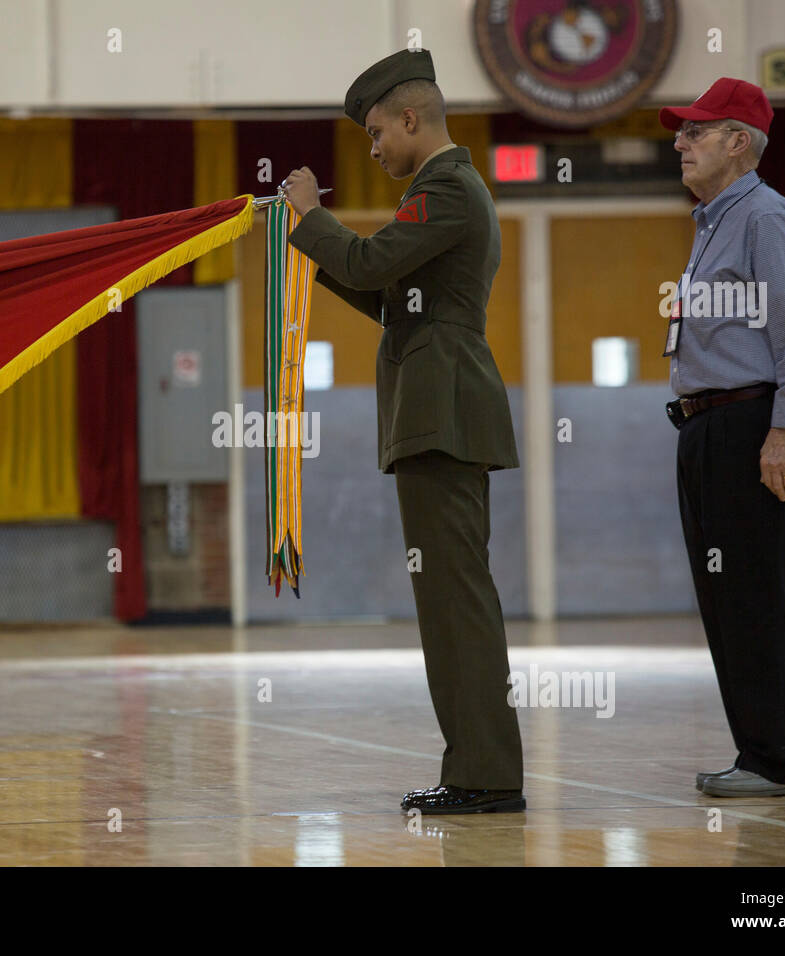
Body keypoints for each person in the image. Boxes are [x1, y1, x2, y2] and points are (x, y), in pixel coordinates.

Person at [281, 49, 524, 814]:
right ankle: (475, 769)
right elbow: (388, 297)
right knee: (448, 600)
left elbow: (368, 258)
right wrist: (311, 250)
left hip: (444, 413)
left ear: (412, 118)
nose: (375, 145)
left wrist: (311, 216)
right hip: (436, 413)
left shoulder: (446, 188)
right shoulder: (443, 189)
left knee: (456, 602)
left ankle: (485, 775)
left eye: (378, 130)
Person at [658, 77, 785, 797]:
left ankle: (779, 762)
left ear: (739, 142)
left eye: (696, 132)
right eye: (681, 132)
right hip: (710, 429)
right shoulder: (712, 224)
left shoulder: (764, 217)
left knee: (756, 599)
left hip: (756, 427)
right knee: (728, 601)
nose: (679, 142)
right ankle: (760, 753)